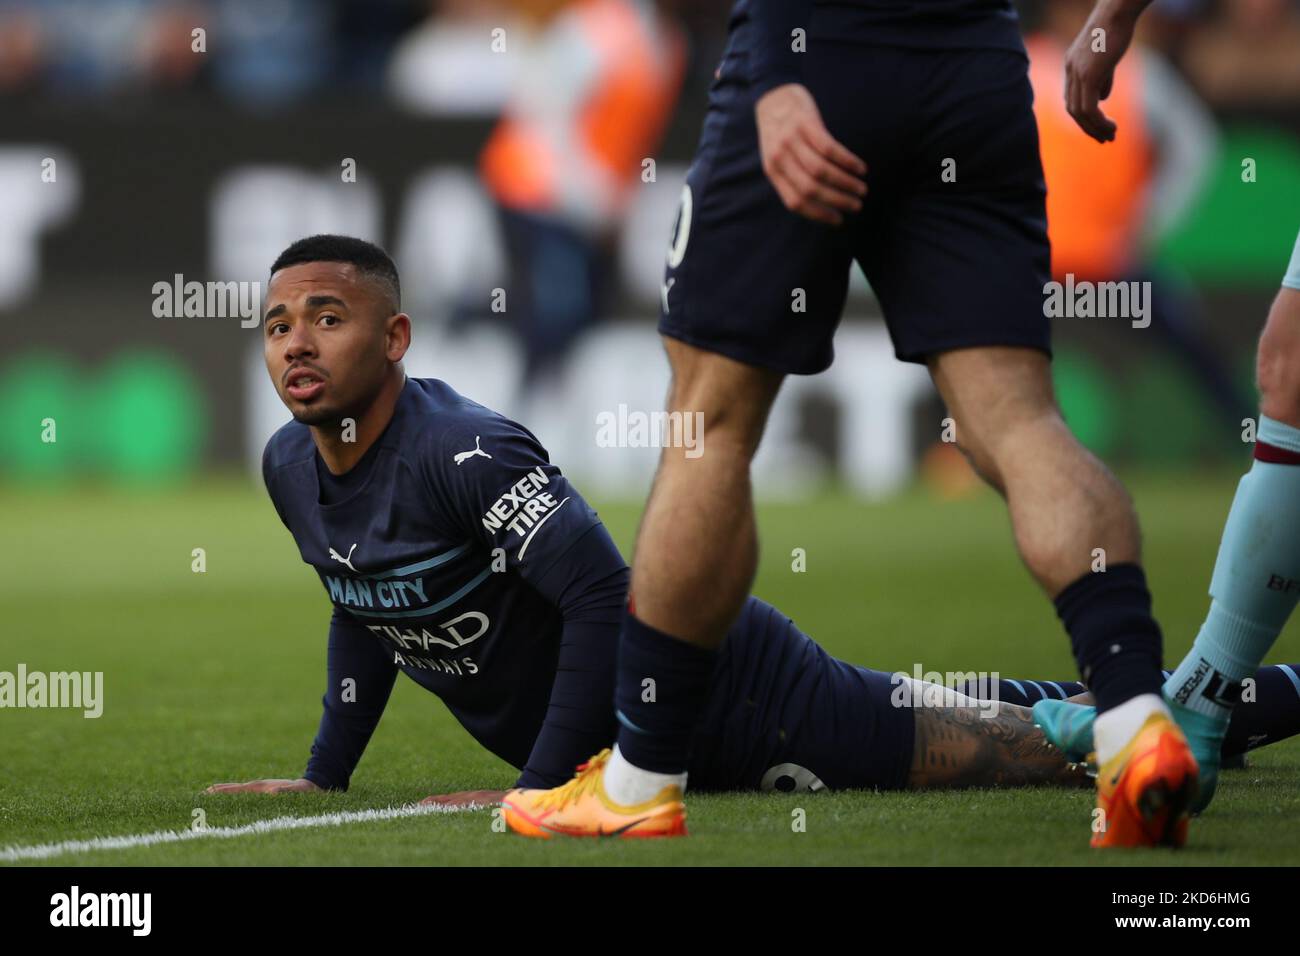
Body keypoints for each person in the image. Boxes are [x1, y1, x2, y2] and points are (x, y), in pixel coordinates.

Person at [204, 235, 1300, 831]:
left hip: (729, 693)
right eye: (275, 324)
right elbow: (361, 602)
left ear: (394, 336)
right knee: (1034, 707)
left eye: (327, 318)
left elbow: (603, 596)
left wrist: (542, 780)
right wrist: (323, 777)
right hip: (637, 740)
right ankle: (1224, 694)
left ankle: (1171, 715)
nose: (295, 343)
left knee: (1035, 756)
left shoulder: (464, 451)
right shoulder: (289, 466)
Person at [503, 0, 1197, 847]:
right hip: (977, 63)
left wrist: (776, 72)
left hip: (813, 49)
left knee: (709, 425)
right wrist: (1113, 20)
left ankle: (641, 780)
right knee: (1017, 421)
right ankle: (1132, 719)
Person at [1031, 0, 1300, 817]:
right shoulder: (1086, 68)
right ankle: (1201, 699)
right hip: (1076, 265)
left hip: (1082, 264)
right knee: (1283, 367)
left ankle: (1198, 699)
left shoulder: (1052, 68)